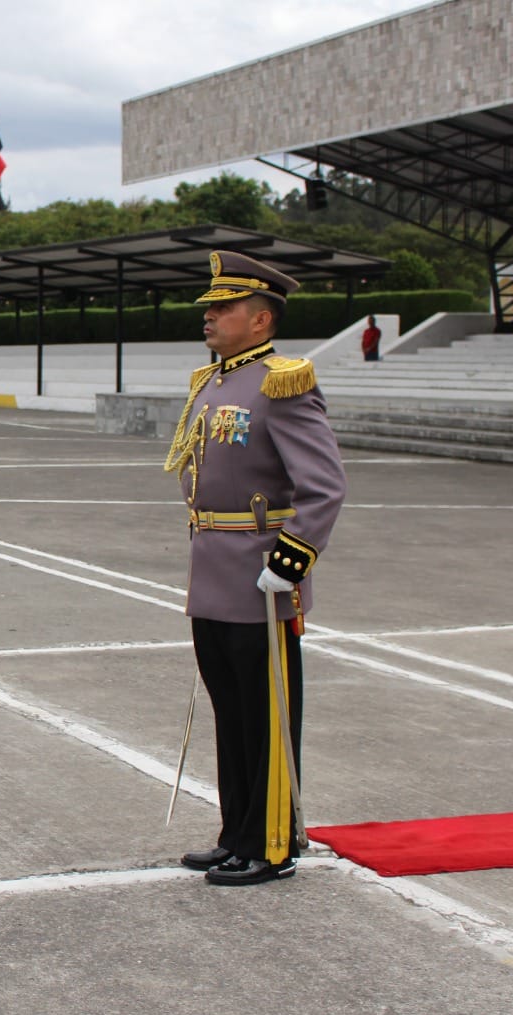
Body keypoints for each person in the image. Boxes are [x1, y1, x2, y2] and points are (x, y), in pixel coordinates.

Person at [163, 250, 347, 887]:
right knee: (232, 713)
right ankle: (236, 833)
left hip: (261, 578)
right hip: (213, 569)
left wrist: (291, 562)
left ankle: (271, 845)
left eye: (224, 308)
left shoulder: (281, 383)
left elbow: (324, 485)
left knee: (266, 718)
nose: (209, 317)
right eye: (210, 308)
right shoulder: (213, 382)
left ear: (261, 320)